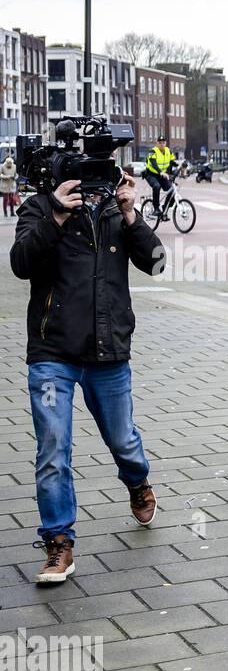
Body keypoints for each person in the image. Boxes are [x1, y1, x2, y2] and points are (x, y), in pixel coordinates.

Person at [10, 167, 166, 584]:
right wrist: (56, 216)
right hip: (52, 352)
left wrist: (132, 215)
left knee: (122, 439)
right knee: (53, 449)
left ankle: (137, 481)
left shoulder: (118, 209)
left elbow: (156, 263)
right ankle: (58, 542)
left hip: (108, 350)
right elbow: (20, 264)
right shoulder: (40, 206)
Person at [142, 134, 176, 217]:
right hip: (151, 174)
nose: (162, 144)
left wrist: (180, 168)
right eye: (160, 142)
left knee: (172, 191)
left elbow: (172, 163)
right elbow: (153, 163)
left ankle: (165, 208)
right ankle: (156, 209)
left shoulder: (169, 151)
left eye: (163, 142)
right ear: (157, 143)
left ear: (166, 143)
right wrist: (160, 172)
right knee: (156, 186)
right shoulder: (152, 152)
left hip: (163, 175)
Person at [0, 152, 16, 216]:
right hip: (5, 185)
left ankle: (12, 212)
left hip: (12, 184)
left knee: (12, 199)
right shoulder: (2, 166)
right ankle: (5, 212)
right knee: (5, 199)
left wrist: (15, 177)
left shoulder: (14, 166)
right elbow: (0, 175)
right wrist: (7, 177)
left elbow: (16, 174)